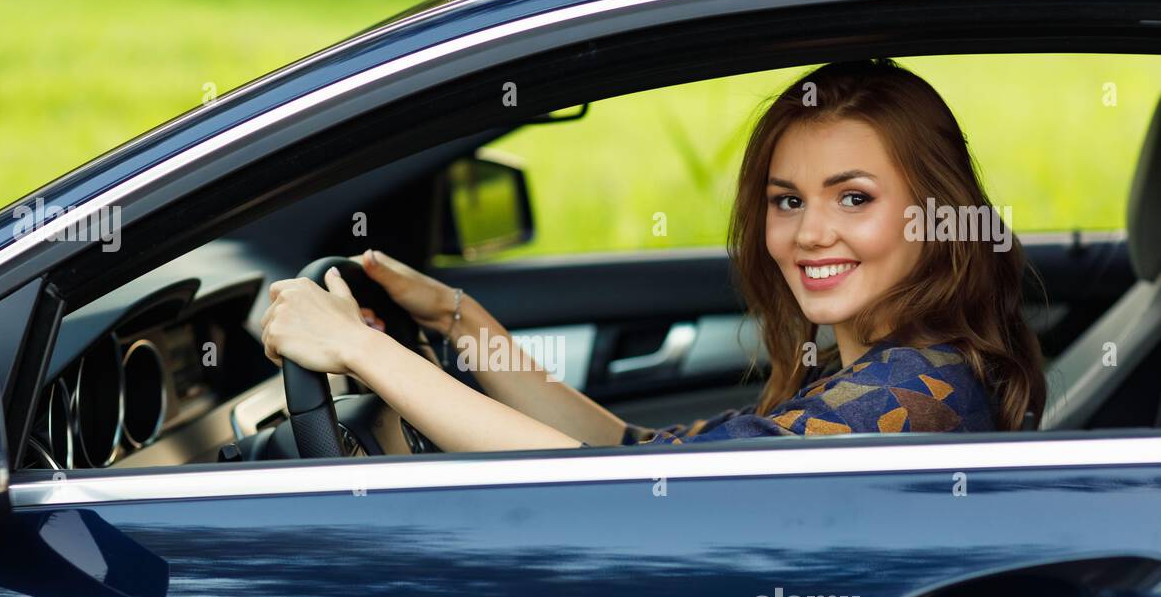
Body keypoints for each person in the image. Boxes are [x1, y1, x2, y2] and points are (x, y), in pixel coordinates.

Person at [260, 58, 1045, 452]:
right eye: (787, 200)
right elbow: (630, 457)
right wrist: (460, 320)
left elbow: (592, 488)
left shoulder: (913, 392)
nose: (810, 234)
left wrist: (357, 349)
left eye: (854, 198)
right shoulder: (868, 373)